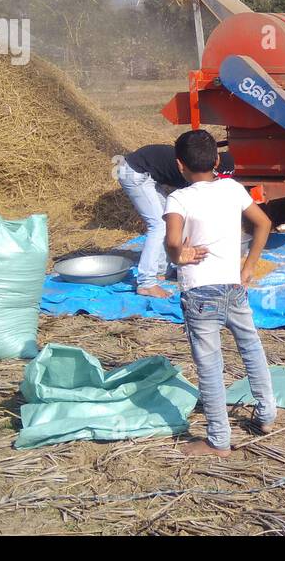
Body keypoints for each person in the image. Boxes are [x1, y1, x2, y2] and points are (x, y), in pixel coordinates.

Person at [163, 129, 276, 458]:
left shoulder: (178, 199)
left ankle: (218, 440)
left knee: (210, 364)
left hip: (200, 292)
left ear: (180, 165)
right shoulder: (232, 188)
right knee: (251, 348)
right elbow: (263, 223)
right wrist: (249, 266)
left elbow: (172, 242)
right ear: (216, 161)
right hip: (233, 286)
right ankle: (267, 414)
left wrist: (177, 255)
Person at [117, 143, 233, 298]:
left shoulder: (201, 168)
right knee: (158, 225)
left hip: (147, 174)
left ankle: (161, 271)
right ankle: (146, 283)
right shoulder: (194, 172)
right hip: (133, 171)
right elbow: (189, 213)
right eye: (218, 178)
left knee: (166, 220)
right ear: (214, 168)